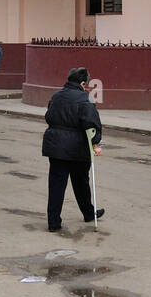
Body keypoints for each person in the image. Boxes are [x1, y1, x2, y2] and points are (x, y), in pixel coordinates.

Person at [41, 67, 105, 232]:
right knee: (81, 182)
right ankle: (89, 213)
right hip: (77, 147)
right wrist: (95, 143)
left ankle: (53, 222)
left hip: (55, 146)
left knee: (56, 185)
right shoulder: (85, 99)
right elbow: (91, 124)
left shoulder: (56, 96)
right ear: (83, 83)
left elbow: (49, 116)